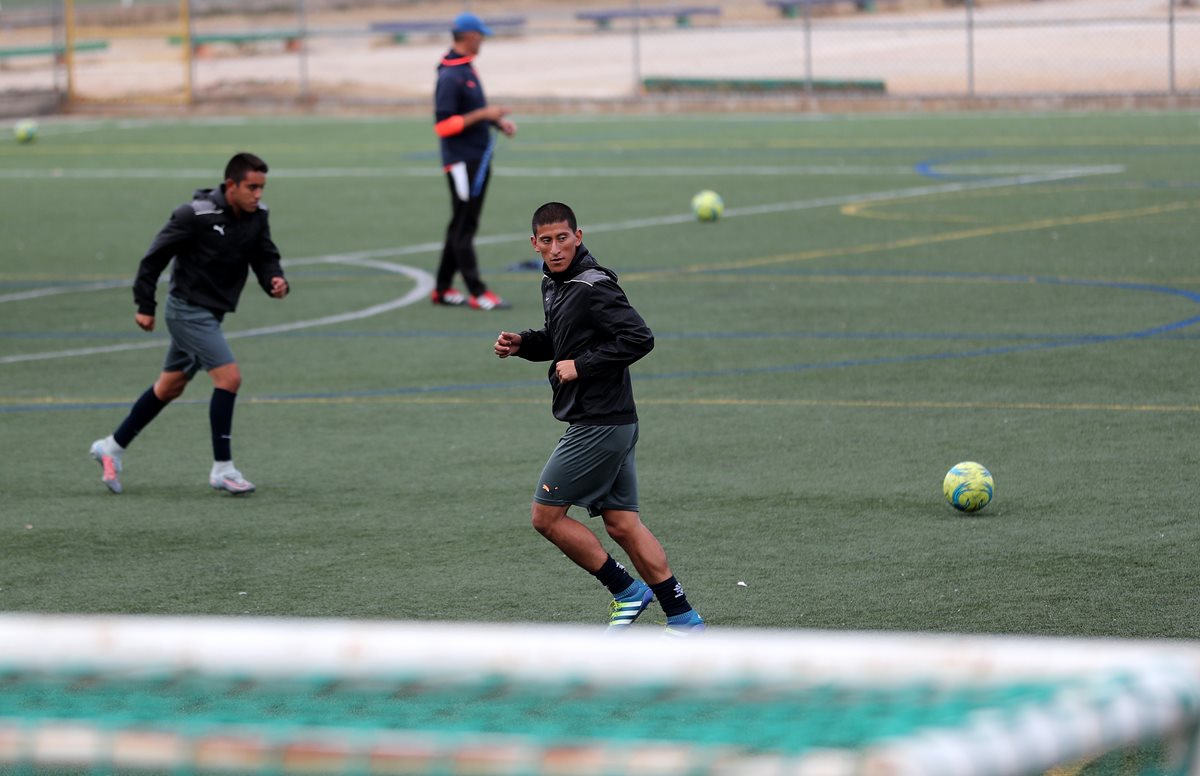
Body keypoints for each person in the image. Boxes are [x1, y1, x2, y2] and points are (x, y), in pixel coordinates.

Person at [494, 202, 705, 635]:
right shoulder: (555, 283)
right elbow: (563, 338)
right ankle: (684, 619)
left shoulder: (593, 285)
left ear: (579, 237)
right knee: (623, 524)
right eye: (546, 241)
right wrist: (525, 343)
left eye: (563, 239)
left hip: (599, 424)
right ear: (534, 244)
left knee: (545, 517)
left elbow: (638, 337)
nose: (555, 248)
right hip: (615, 421)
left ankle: (626, 591)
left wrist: (582, 366)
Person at [88, 152, 289, 496]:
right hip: (186, 311)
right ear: (231, 185)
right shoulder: (194, 215)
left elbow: (264, 255)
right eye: (251, 187)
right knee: (230, 378)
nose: (258, 195)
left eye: (262, 188)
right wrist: (145, 304)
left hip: (212, 313)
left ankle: (111, 446)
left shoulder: (258, 216)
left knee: (169, 387)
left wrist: (275, 279)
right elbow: (154, 258)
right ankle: (223, 469)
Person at [430, 11, 516, 311]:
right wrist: (484, 115)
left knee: (461, 224)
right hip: (462, 162)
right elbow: (443, 125)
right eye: (480, 35)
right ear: (469, 37)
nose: (483, 41)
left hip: (477, 158)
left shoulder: (466, 68)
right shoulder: (451, 75)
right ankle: (478, 292)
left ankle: (441, 288)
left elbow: (472, 112)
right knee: (465, 227)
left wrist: (495, 122)